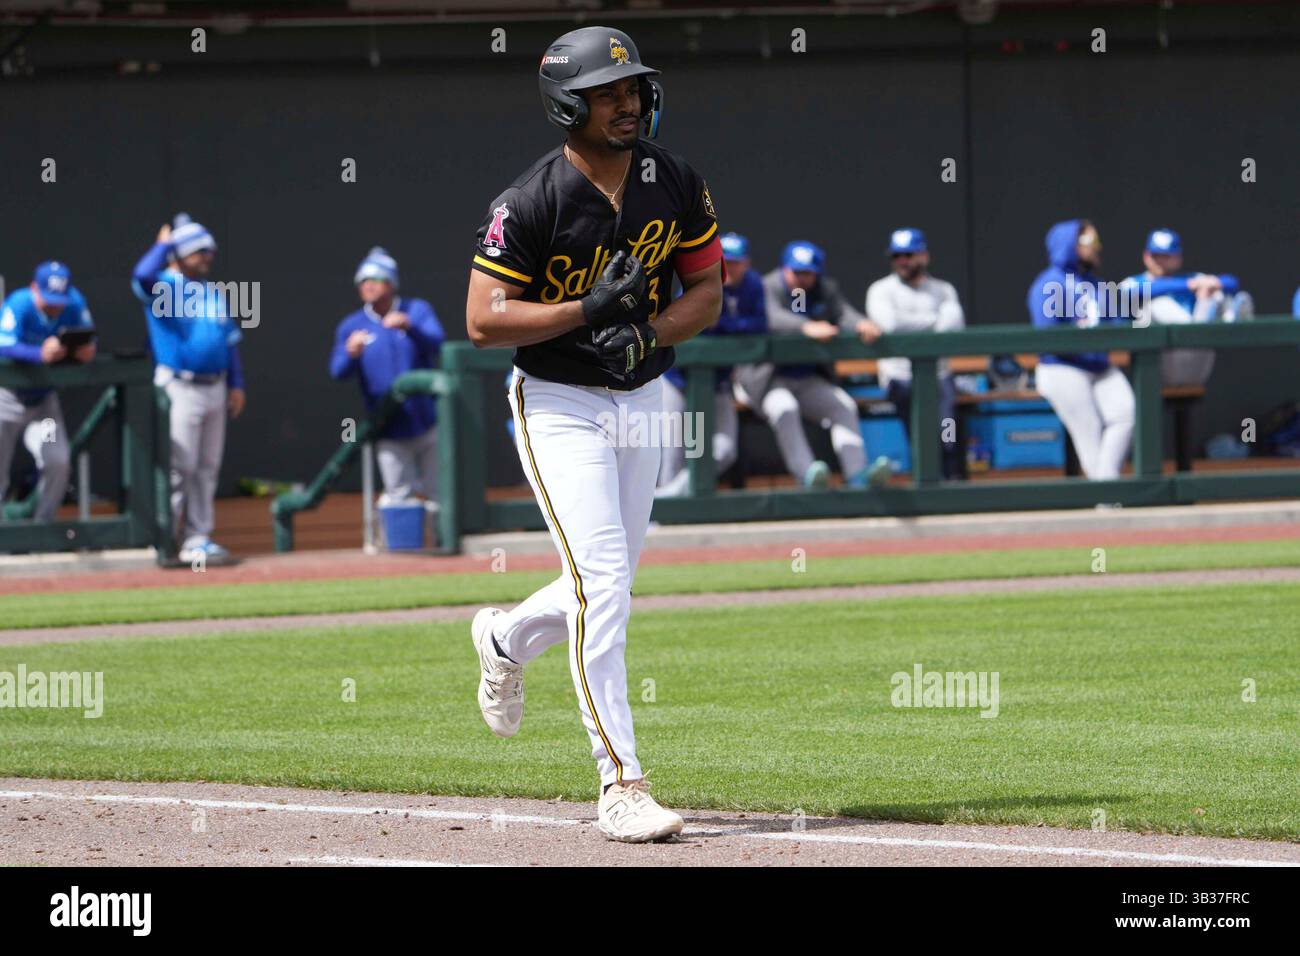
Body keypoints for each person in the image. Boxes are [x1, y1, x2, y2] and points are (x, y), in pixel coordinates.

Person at [464, 26, 724, 842]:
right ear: (565, 102)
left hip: (642, 397)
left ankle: (504, 636)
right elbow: (482, 319)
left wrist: (653, 335)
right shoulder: (530, 200)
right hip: (557, 401)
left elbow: (708, 289)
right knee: (603, 581)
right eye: (608, 92)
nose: (628, 102)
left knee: (605, 584)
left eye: (634, 88)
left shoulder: (673, 178)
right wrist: (587, 311)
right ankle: (621, 782)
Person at [131, 213, 246, 564]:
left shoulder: (212, 291)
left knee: (208, 466)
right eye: (199, 252)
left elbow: (228, 340)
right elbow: (141, 275)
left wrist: (237, 382)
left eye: (208, 252)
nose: (206, 258)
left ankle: (198, 537)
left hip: (215, 385)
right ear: (180, 254)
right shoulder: (164, 284)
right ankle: (165, 537)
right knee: (180, 465)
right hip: (180, 384)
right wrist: (164, 244)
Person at [735, 240, 889, 489]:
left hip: (806, 378)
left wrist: (861, 323)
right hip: (764, 379)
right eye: (796, 272)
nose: (801, 278)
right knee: (785, 408)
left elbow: (844, 314)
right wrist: (805, 326)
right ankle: (808, 477)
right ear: (785, 269)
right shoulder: (765, 286)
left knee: (844, 406)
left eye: (807, 273)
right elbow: (770, 316)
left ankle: (858, 476)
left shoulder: (824, 289)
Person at [330, 247, 444, 502]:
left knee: (439, 495)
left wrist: (410, 327)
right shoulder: (351, 325)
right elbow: (337, 372)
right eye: (363, 281)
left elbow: (438, 344)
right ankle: (407, 542)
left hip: (427, 423)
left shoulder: (416, 310)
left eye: (375, 279)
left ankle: (443, 541)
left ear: (391, 283)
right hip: (387, 428)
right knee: (399, 497)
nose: (368, 286)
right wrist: (351, 353)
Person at [655, 231, 763, 498]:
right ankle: (660, 514)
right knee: (672, 449)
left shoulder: (753, 286)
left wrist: (724, 325)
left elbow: (760, 326)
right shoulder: (699, 282)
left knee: (725, 449)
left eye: (737, 262)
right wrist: (723, 327)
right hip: (677, 379)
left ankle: (673, 493)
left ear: (747, 263)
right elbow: (686, 326)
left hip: (718, 383)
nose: (732, 267)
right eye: (728, 260)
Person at [1026, 219, 1134, 481]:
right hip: (1062, 368)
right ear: (1071, 245)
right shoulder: (1047, 284)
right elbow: (1049, 338)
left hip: (1098, 366)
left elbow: (1116, 321)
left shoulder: (1096, 284)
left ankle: (1106, 486)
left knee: (1125, 413)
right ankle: (1107, 496)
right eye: (1091, 242)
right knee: (1090, 429)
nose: (1098, 248)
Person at [862, 228, 966, 480]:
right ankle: (929, 486)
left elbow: (953, 325)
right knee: (921, 432)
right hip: (900, 378)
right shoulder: (881, 290)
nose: (902, 261)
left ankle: (953, 487)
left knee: (947, 432)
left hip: (940, 376)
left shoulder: (943, 289)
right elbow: (890, 324)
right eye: (897, 256)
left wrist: (913, 322)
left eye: (908, 255)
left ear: (924, 256)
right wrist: (933, 320)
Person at [0, 262, 96, 521]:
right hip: (7, 400)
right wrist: (38, 353)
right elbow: (3, 344)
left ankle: (43, 526)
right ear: (34, 288)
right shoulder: (19, 303)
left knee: (58, 460)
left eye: (60, 300)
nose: (56, 306)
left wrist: (86, 351)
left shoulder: (74, 303)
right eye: (49, 299)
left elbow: (89, 339)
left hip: (43, 405)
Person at [1119, 228, 1252, 388]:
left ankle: (1228, 318)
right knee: (1156, 304)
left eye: (1167, 256)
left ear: (1178, 257)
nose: (1161, 261)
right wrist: (1191, 286)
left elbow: (1232, 282)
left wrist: (1210, 286)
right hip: (1155, 368)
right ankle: (1206, 324)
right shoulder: (1132, 282)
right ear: (1146, 256)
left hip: (1197, 363)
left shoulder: (1194, 278)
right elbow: (1130, 293)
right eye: (1156, 255)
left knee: (1214, 295)